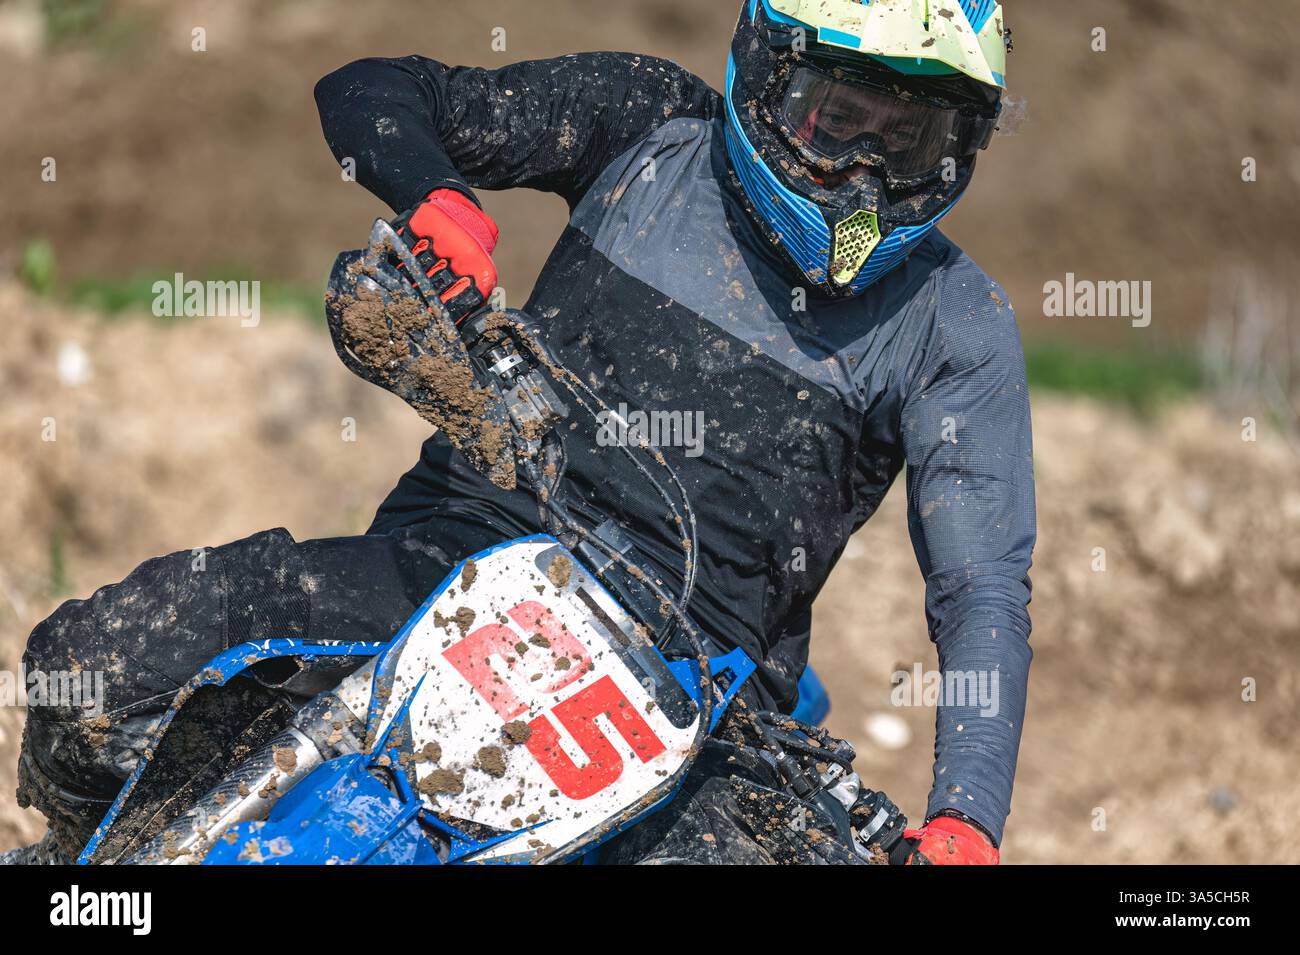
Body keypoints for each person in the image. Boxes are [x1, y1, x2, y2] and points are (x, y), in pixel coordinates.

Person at [10, 0, 1031, 865]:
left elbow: (979, 586)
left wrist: (963, 817)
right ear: (768, 78)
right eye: (835, 119)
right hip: (452, 564)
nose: (860, 173)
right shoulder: (647, 125)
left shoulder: (957, 321)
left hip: (694, 698)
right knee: (86, 669)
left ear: (962, 148)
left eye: (906, 142)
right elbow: (371, 88)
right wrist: (436, 198)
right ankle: (78, 852)